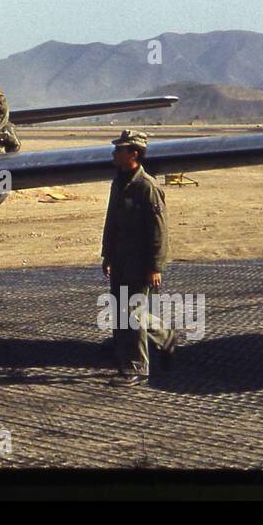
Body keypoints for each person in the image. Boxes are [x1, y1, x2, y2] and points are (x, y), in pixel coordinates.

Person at [100, 129, 179, 386]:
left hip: (140, 263)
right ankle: (164, 338)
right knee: (123, 312)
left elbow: (159, 231)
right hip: (121, 259)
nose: (114, 153)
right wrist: (108, 255)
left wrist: (156, 267)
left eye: (119, 149)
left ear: (134, 153)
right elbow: (111, 222)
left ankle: (138, 368)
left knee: (132, 313)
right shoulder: (119, 182)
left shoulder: (148, 187)